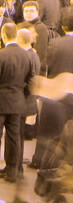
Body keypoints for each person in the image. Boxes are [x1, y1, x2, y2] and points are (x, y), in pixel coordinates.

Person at [0, 21, 32, 183]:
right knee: (14, 138)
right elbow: (31, 79)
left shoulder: (1, 55)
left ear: (3, 35)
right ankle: (12, 171)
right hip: (18, 102)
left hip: (1, 103)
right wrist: (22, 94)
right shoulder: (26, 55)